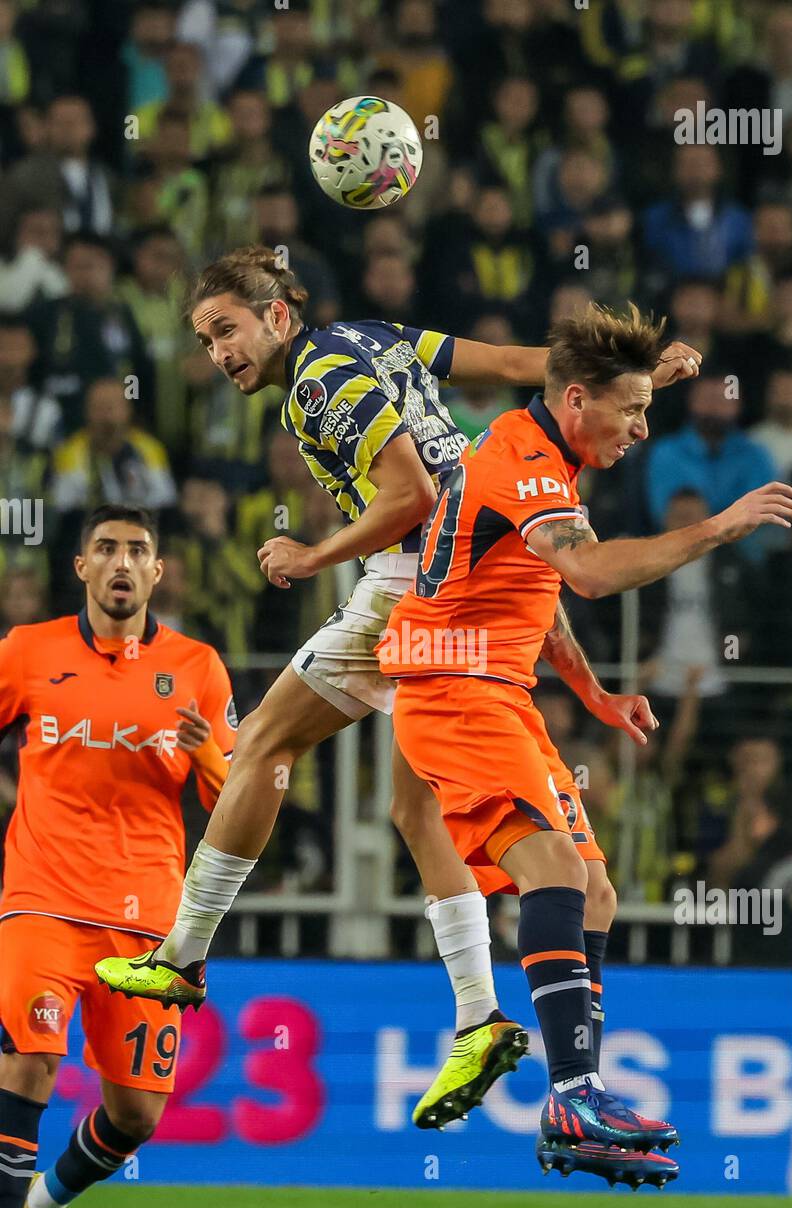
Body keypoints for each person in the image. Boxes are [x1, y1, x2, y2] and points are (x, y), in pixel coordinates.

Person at [95, 246, 702, 1131]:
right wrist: (636, 378)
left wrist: (312, 555)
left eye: (226, 329)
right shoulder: (373, 337)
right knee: (417, 809)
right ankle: (479, 1016)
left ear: (277, 315)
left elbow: (410, 494)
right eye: (205, 340)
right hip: (484, 557)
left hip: (416, 581)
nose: (219, 353)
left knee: (264, 740)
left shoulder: (316, 379)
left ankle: (182, 955)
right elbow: (516, 363)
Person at [379, 303, 792, 1185]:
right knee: (555, 871)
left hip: (497, 690)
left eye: (647, 410)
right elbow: (590, 573)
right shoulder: (525, 462)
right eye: (633, 411)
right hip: (452, 691)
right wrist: (719, 526)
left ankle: (580, 1098)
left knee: (595, 888)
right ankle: (573, 1093)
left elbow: (537, 592)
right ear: (575, 400)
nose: (642, 430)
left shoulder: (549, 451)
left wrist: (593, 694)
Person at [0, 505, 237, 1208]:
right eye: (106, 549)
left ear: (158, 572)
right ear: (82, 568)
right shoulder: (27, 652)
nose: (122, 562)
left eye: (138, 550)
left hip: (145, 924)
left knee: (136, 1115)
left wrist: (208, 754)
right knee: (28, 1060)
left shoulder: (197, 666)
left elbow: (237, 804)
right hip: (41, 899)